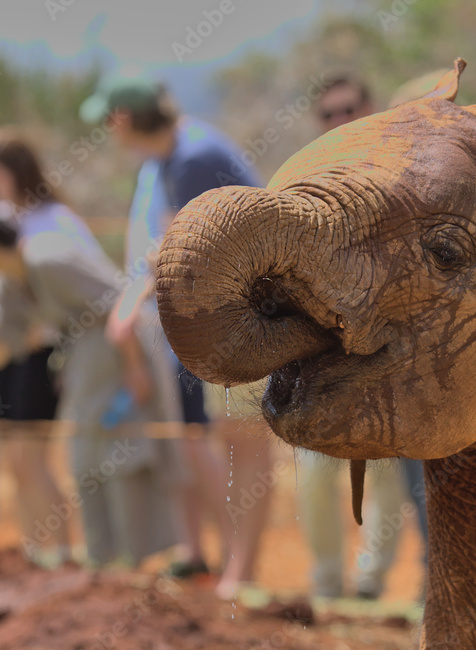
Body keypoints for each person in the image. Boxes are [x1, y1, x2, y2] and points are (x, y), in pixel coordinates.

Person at [80, 76, 273, 597]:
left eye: (109, 118)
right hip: (209, 325)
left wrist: (136, 296)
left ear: (124, 118)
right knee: (207, 443)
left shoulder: (193, 159)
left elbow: (189, 248)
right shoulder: (170, 159)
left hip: (244, 322)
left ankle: (243, 570)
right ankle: (228, 564)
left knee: (242, 444)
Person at [0, 199, 188, 568]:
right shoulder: (7, 284)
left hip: (118, 358)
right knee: (87, 465)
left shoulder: (47, 258)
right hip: (82, 369)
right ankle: (103, 567)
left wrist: (135, 369)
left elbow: (120, 303)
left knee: (126, 459)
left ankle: (137, 566)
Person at [294, 73, 423, 599]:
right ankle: (327, 579)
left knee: (391, 479)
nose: (338, 121)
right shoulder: (307, 179)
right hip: (322, 351)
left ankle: (372, 580)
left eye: (347, 109)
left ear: (368, 107)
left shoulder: (402, 172)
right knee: (316, 477)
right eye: (327, 114)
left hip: (391, 348)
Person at [0, 127, 99, 565]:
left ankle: (62, 551)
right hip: (7, 350)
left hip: (42, 356)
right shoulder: (0, 216)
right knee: (14, 462)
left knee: (36, 459)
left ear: (11, 170)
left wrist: (46, 329)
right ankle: (33, 553)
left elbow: (83, 289)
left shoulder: (54, 219)